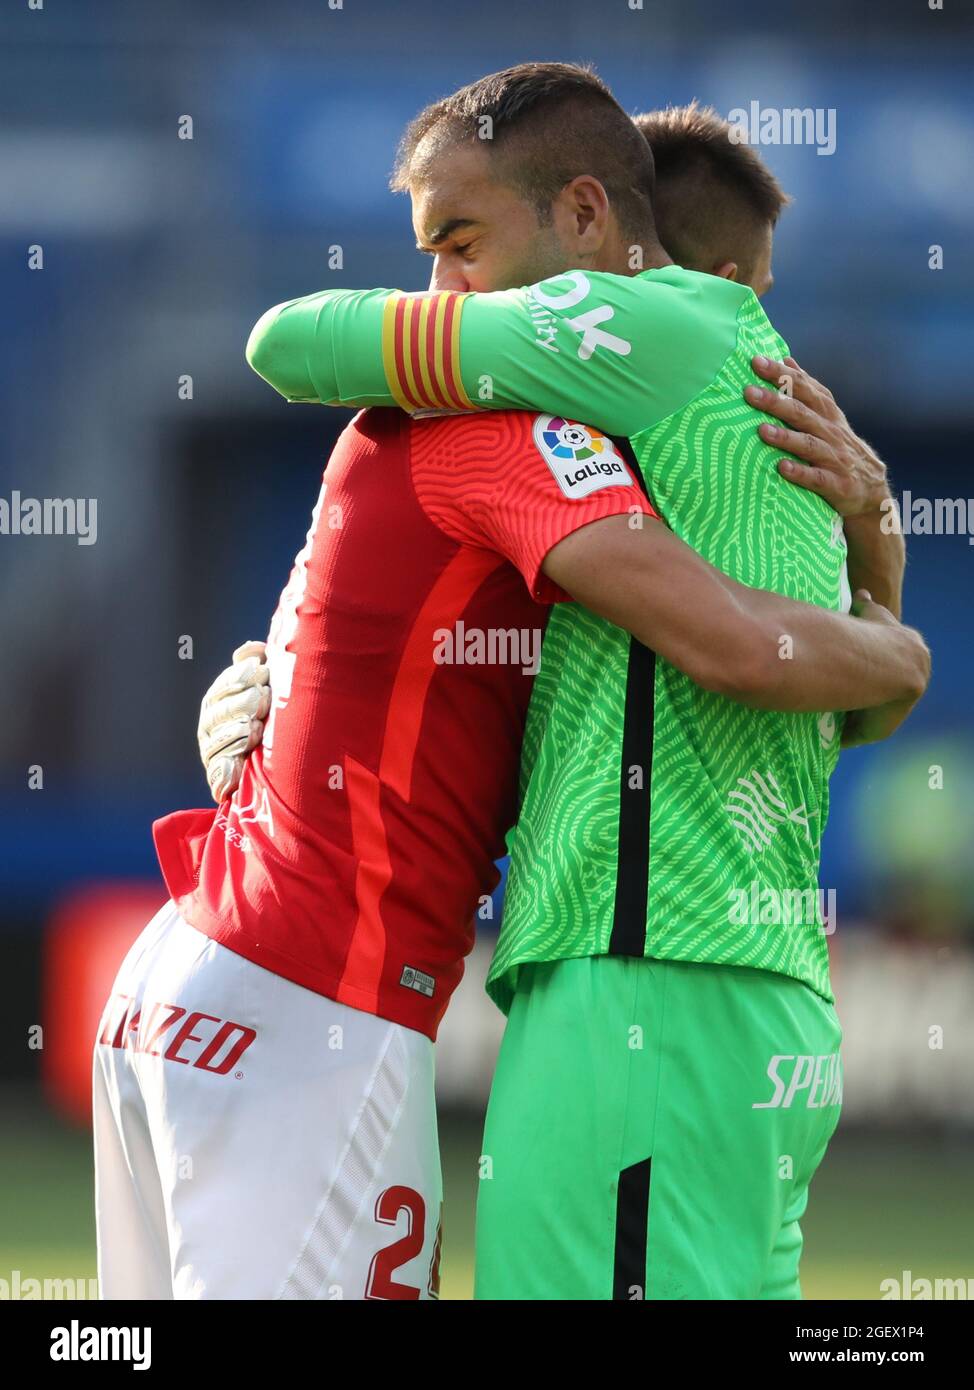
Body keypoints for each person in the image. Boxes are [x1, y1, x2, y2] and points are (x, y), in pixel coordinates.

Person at [95, 67, 927, 1302]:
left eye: (461, 245)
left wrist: (258, 741)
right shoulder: (742, 457)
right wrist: (890, 600)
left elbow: (743, 654)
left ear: (601, 237)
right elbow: (788, 670)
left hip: (242, 966)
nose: (446, 289)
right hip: (359, 986)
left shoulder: (526, 411)